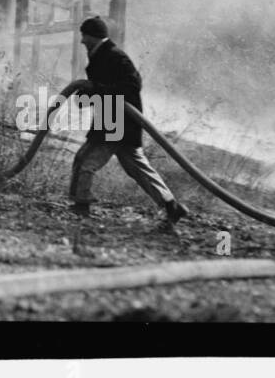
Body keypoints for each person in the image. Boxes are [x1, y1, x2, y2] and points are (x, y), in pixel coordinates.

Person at [65, 15, 188, 226]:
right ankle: (171, 206)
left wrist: (95, 90)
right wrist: (85, 97)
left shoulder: (114, 56)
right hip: (113, 121)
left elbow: (131, 86)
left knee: (86, 161)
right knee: (137, 168)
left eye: (84, 36)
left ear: (93, 37)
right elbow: (103, 88)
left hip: (117, 122)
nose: (82, 41)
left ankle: (81, 206)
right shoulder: (101, 57)